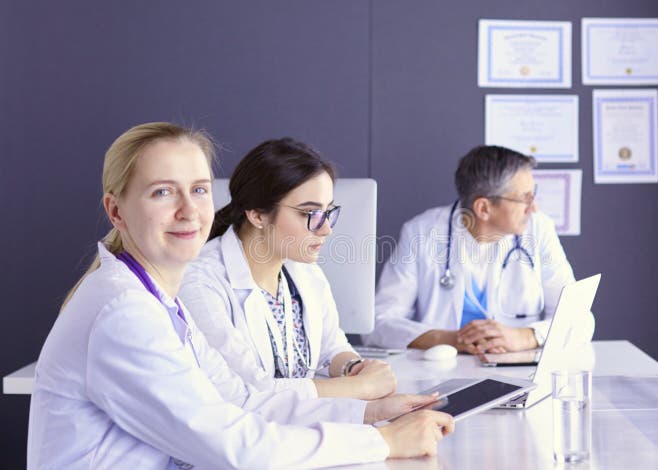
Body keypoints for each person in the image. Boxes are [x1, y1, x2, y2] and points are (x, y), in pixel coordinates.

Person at [28, 122, 454, 469]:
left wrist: (372, 414)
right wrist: (380, 441)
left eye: (198, 189)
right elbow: (235, 444)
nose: (189, 210)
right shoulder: (124, 313)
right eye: (163, 191)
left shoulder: (156, 297)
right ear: (116, 211)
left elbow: (240, 402)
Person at [180, 138, 394, 400]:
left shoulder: (303, 272)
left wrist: (355, 367)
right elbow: (249, 389)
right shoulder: (200, 283)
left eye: (328, 212)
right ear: (258, 215)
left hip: (300, 422)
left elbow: (331, 347)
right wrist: (361, 387)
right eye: (310, 214)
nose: (326, 229)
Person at [364, 145, 595, 354]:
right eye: (525, 198)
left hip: (521, 371)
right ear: (484, 208)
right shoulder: (421, 232)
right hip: (439, 374)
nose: (533, 208)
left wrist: (526, 336)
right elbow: (378, 323)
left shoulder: (538, 229)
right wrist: (450, 339)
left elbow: (580, 319)